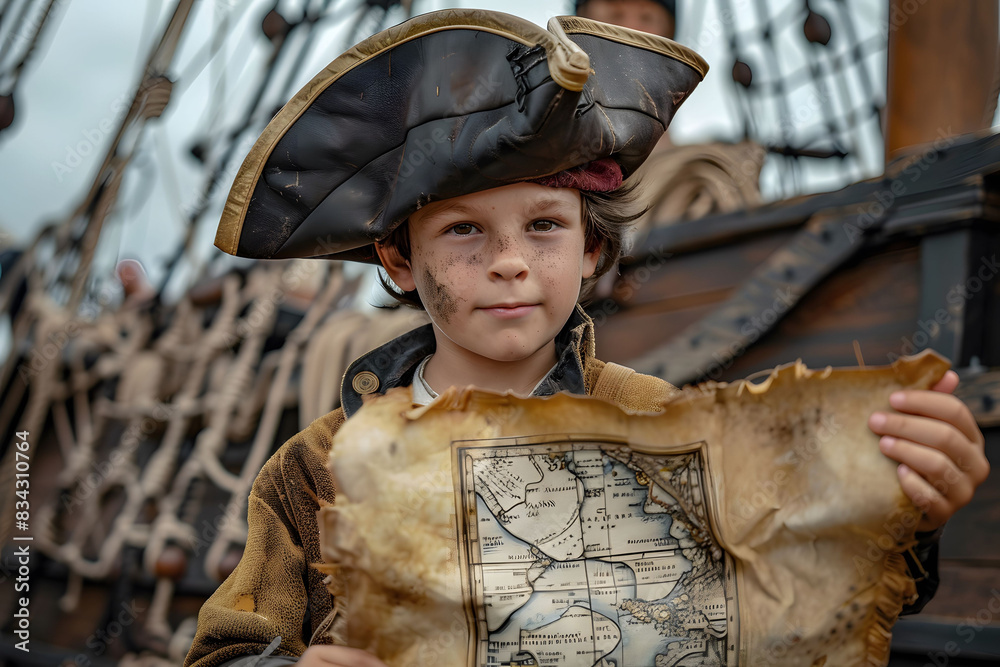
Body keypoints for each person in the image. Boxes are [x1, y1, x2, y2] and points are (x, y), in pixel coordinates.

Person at [184, 9, 989, 667]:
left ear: (592, 249)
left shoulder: (659, 426)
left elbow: (792, 600)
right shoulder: (316, 465)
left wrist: (908, 515)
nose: (508, 263)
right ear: (398, 258)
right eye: (464, 230)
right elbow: (225, 648)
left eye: (544, 226)